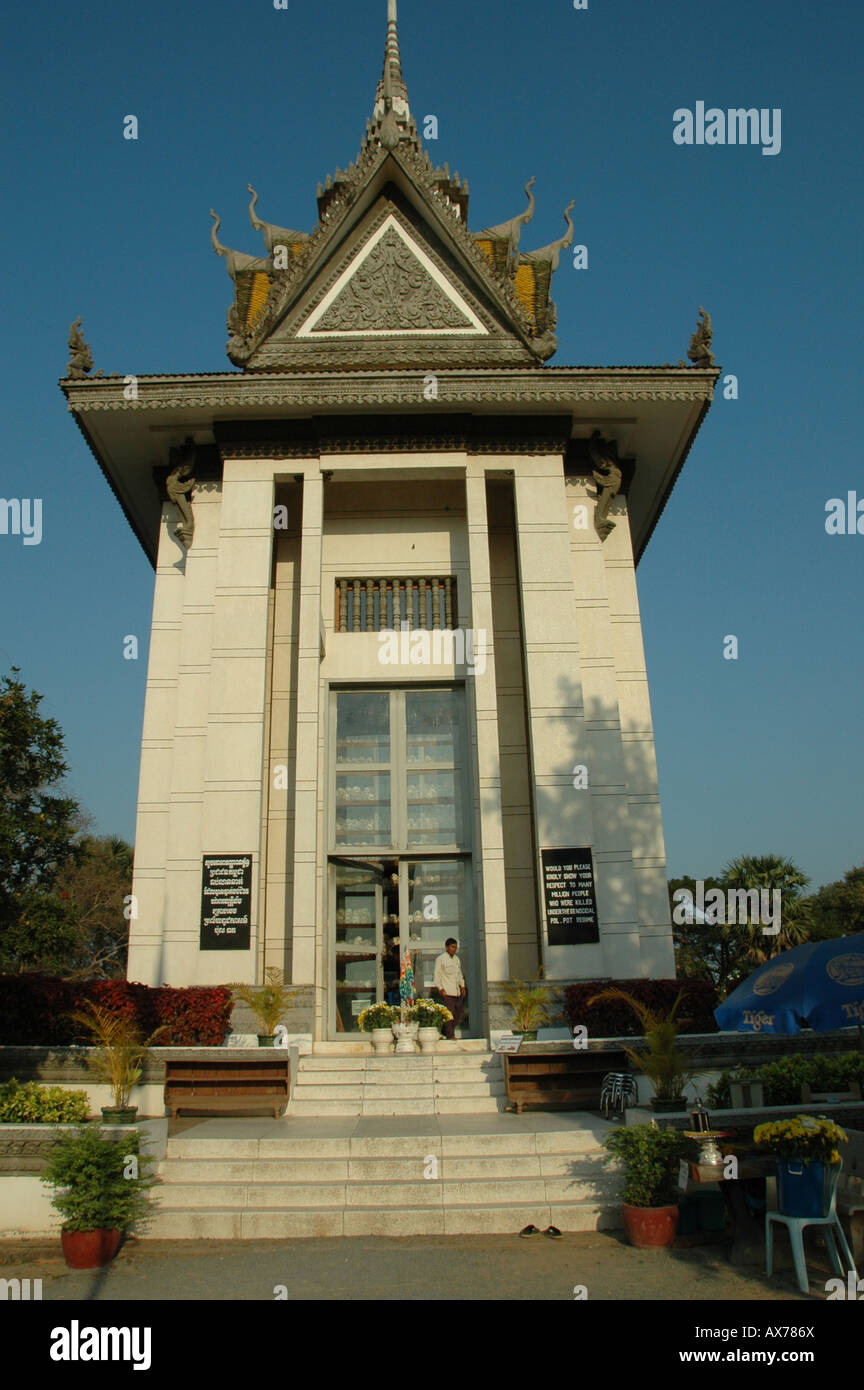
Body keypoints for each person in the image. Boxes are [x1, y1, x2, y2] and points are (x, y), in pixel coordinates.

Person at [433, 938, 465, 1040]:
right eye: (452, 947)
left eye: (455, 947)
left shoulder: (456, 959)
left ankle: (444, 1031)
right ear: (447, 947)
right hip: (447, 991)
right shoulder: (441, 959)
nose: (454, 949)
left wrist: (462, 986)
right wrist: (440, 988)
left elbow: (459, 974)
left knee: (458, 1014)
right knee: (449, 1015)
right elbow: (437, 975)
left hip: (457, 991)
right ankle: (451, 1035)